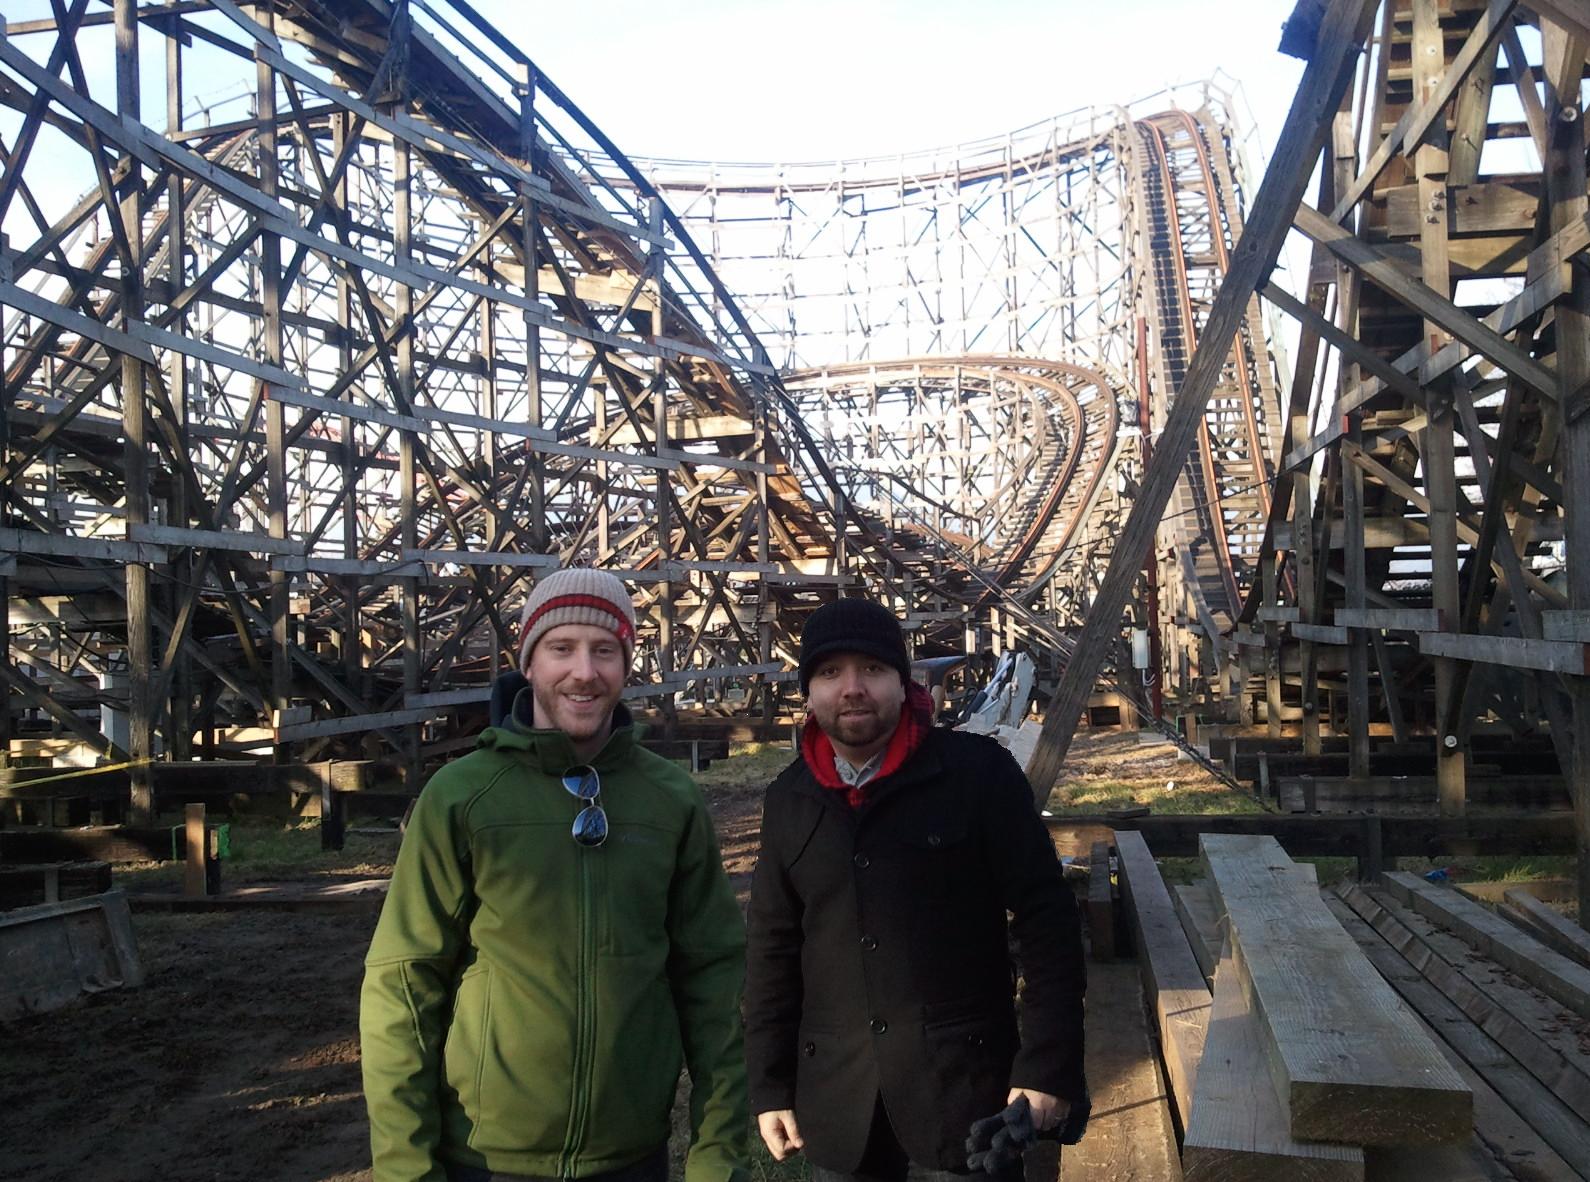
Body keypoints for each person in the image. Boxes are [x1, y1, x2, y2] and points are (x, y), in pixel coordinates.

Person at [360, 567, 750, 1182]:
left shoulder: (670, 798)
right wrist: (406, 1166)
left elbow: (713, 981)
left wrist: (718, 1158)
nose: (584, 673)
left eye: (605, 651)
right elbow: (402, 983)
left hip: (632, 1158)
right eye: (560, 648)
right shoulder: (462, 796)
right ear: (529, 661)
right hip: (485, 1162)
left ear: (626, 664)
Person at [745, 597, 1085, 1181]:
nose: (852, 688)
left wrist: (1048, 1066)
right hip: (840, 1110)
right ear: (808, 691)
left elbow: (1046, 920)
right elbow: (772, 948)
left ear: (903, 684)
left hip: (967, 1102)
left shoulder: (977, 774)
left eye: (872, 670)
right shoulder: (790, 798)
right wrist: (770, 1084)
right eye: (830, 673)